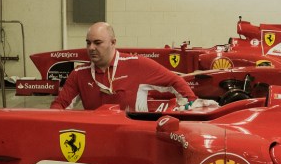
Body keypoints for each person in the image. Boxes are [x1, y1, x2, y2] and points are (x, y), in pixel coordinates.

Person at [50, 21, 200, 111]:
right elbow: (60, 106)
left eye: (97, 43)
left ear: (113, 42)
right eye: (88, 43)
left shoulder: (137, 64)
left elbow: (176, 82)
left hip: (133, 140)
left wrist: (189, 108)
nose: (91, 48)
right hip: (98, 139)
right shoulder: (79, 74)